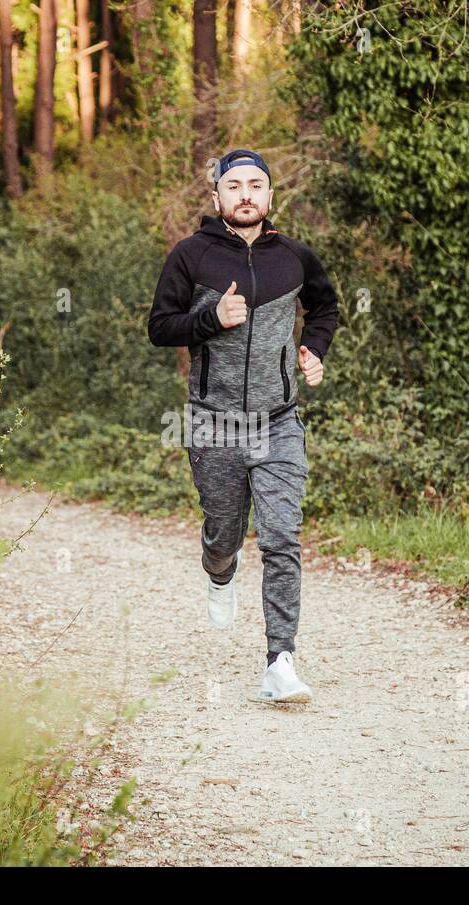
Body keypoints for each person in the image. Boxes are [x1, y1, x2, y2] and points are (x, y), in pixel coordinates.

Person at [147, 148, 340, 703]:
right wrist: (211, 319)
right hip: (215, 422)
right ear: (217, 198)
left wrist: (313, 348)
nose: (246, 194)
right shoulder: (191, 256)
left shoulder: (295, 258)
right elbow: (160, 327)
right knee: (224, 531)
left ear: (271, 195)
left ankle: (280, 661)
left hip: (280, 420)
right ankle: (219, 567)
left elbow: (325, 308)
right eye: (235, 186)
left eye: (256, 184)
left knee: (281, 539)